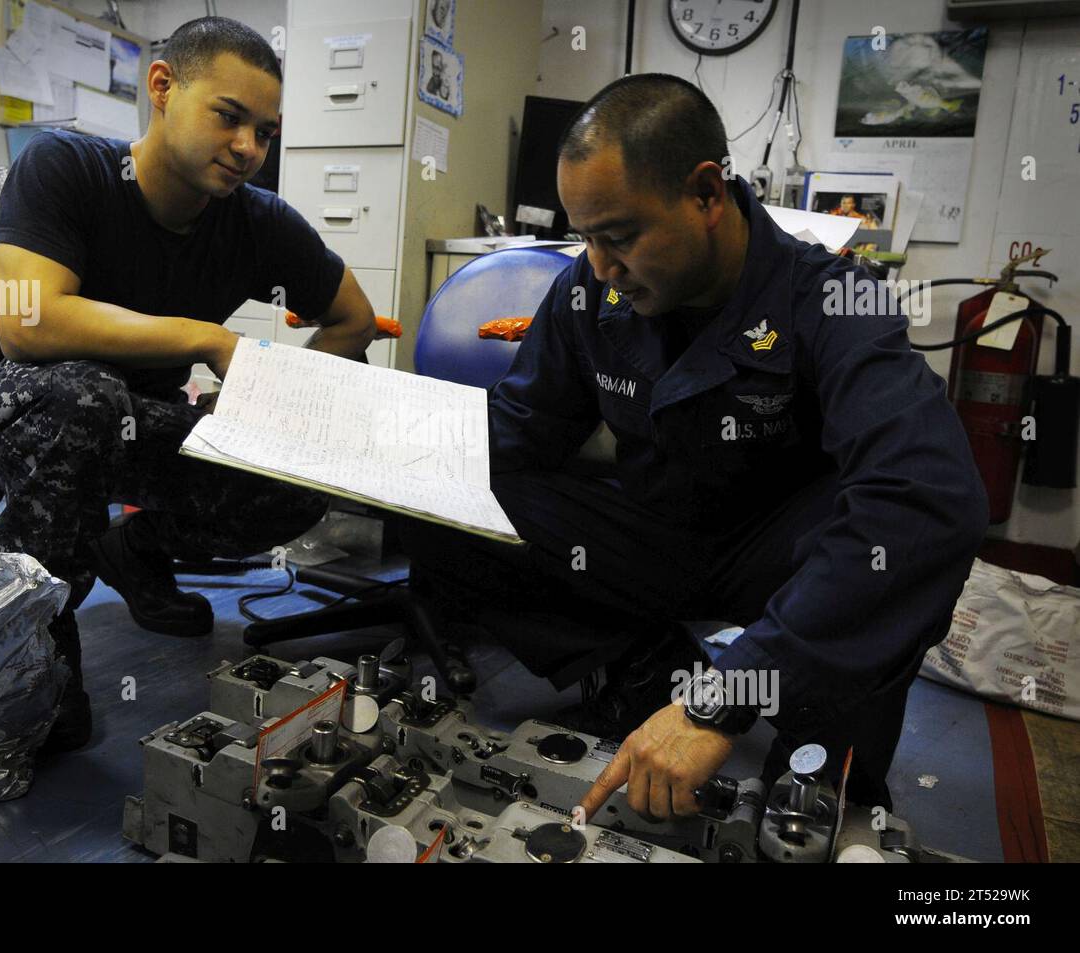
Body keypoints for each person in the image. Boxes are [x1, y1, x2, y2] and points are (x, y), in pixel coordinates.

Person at [399, 74, 987, 822]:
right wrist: (377, 446)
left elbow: (933, 500)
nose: (599, 266)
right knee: (461, 490)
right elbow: (515, 435)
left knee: (886, 544)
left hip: (783, 565)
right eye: (585, 236)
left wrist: (725, 697)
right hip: (654, 538)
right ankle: (644, 669)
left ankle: (820, 780)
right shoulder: (591, 290)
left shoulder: (835, 300)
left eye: (618, 236)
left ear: (707, 195)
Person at [0, 17, 376, 752]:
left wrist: (257, 401)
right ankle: (27, 647)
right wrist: (206, 338)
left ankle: (135, 545)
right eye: (230, 116)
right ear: (162, 87)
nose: (248, 147)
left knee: (297, 483)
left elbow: (354, 319)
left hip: (142, 423)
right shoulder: (66, 166)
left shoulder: (261, 223)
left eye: (266, 133)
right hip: (25, 408)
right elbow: (28, 323)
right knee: (81, 397)